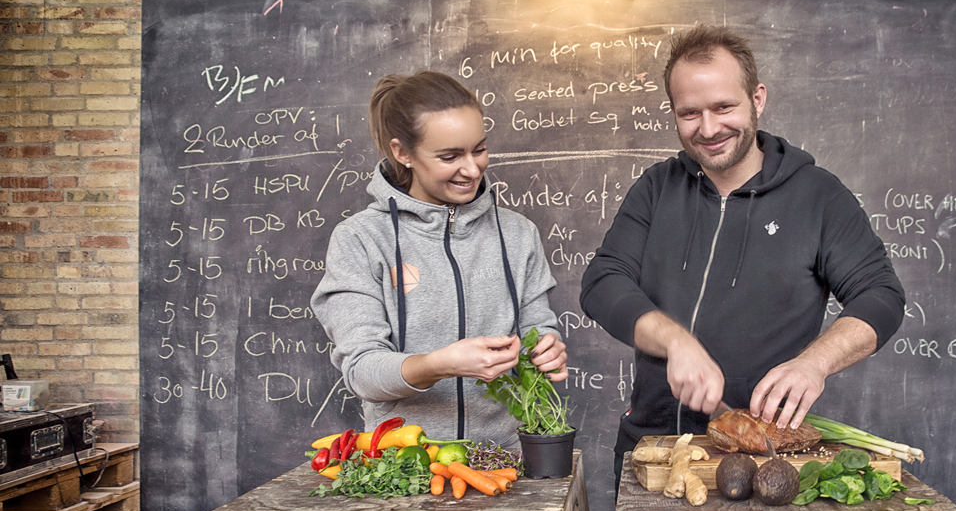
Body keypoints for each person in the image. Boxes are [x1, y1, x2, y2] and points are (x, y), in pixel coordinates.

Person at [579, 25, 905, 480]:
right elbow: (602, 282)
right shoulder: (656, 189)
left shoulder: (819, 196)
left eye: (723, 107)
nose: (708, 129)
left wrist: (814, 364)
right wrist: (676, 341)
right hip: (653, 451)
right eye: (689, 113)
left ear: (757, 98)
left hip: (764, 463)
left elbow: (882, 296)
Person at [312, 71, 567, 448]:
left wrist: (547, 346)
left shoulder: (518, 234)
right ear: (402, 153)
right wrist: (438, 365)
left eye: (479, 149)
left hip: (507, 462)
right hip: (404, 465)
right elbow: (362, 371)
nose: (472, 168)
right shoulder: (361, 240)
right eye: (450, 156)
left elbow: (538, 325)